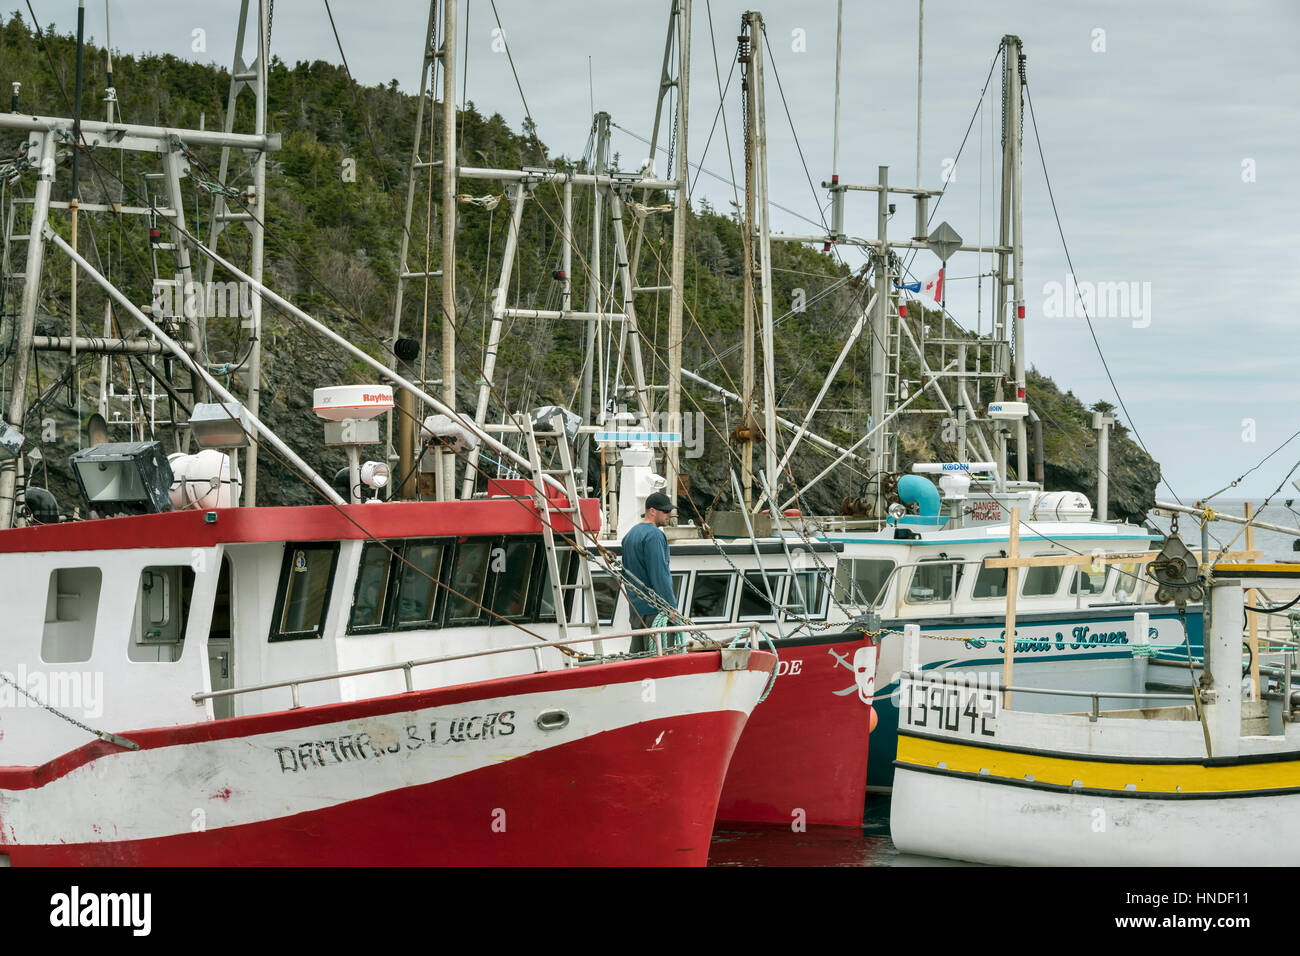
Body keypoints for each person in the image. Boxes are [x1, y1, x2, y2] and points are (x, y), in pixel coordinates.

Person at [621, 491, 678, 653]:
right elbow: (660, 574)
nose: (670, 514)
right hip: (656, 612)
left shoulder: (629, 535)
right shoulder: (655, 535)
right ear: (652, 511)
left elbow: (627, 575)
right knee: (662, 659)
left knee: (639, 660)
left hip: (637, 612)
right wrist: (670, 607)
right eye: (666, 511)